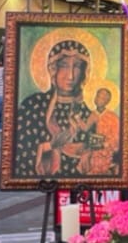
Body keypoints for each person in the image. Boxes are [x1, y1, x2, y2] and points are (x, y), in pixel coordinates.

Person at [13, 40, 96, 178]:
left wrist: (87, 151)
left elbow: (101, 146)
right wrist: (49, 145)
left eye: (77, 66)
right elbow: (22, 149)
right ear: (53, 69)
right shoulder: (34, 105)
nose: (70, 76)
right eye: (64, 66)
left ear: (84, 72)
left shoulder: (87, 112)